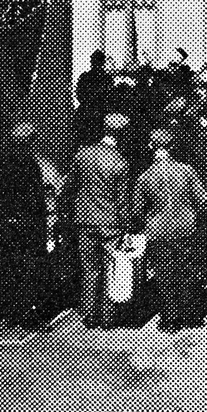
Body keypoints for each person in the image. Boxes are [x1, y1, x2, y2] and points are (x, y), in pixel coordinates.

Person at [136, 129, 207, 331]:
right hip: (185, 227)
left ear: (152, 148)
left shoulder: (145, 177)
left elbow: (137, 210)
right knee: (186, 270)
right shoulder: (187, 170)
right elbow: (204, 201)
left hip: (158, 229)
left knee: (164, 274)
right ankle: (189, 314)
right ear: (172, 147)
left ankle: (170, 317)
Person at [69, 112, 135, 328]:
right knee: (110, 269)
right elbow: (123, 200)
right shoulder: (121, 163)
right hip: (111, 223)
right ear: (122, 135)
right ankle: (107, 317)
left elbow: (71, 186)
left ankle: (89, 315)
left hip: (84, 220)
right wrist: (126, 229)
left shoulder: (82, 154)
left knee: (89, 268)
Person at [0, 123, 51, 329]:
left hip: (5, 223)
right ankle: (27, 313)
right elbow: (34, 198)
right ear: (28, 141)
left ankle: (6, 312)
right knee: (29, 267)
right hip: (26, 224)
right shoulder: (29, 164)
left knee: (7, 266)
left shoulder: (0, 162)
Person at [75, 51, 113, 145]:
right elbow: (80, 95)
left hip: (97, 113)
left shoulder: (107, 78)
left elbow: (110, 98)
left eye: (98, 61)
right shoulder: (86, 77)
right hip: (89, 112)